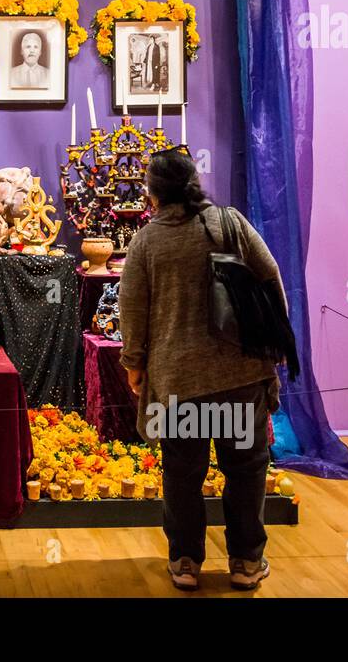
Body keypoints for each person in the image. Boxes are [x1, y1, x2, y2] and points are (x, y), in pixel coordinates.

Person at [118, 148, 284, 592]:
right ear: (194, 181)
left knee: (183, 471)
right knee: (246, 468)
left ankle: (186, 562)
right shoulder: (230, 224)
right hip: (240, 376)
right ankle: (247, 563)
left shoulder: (147, 242)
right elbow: (271, 278)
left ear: (152, 193)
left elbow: (131, 311)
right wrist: (275, 343)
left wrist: (134, 365)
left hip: (179, 384)